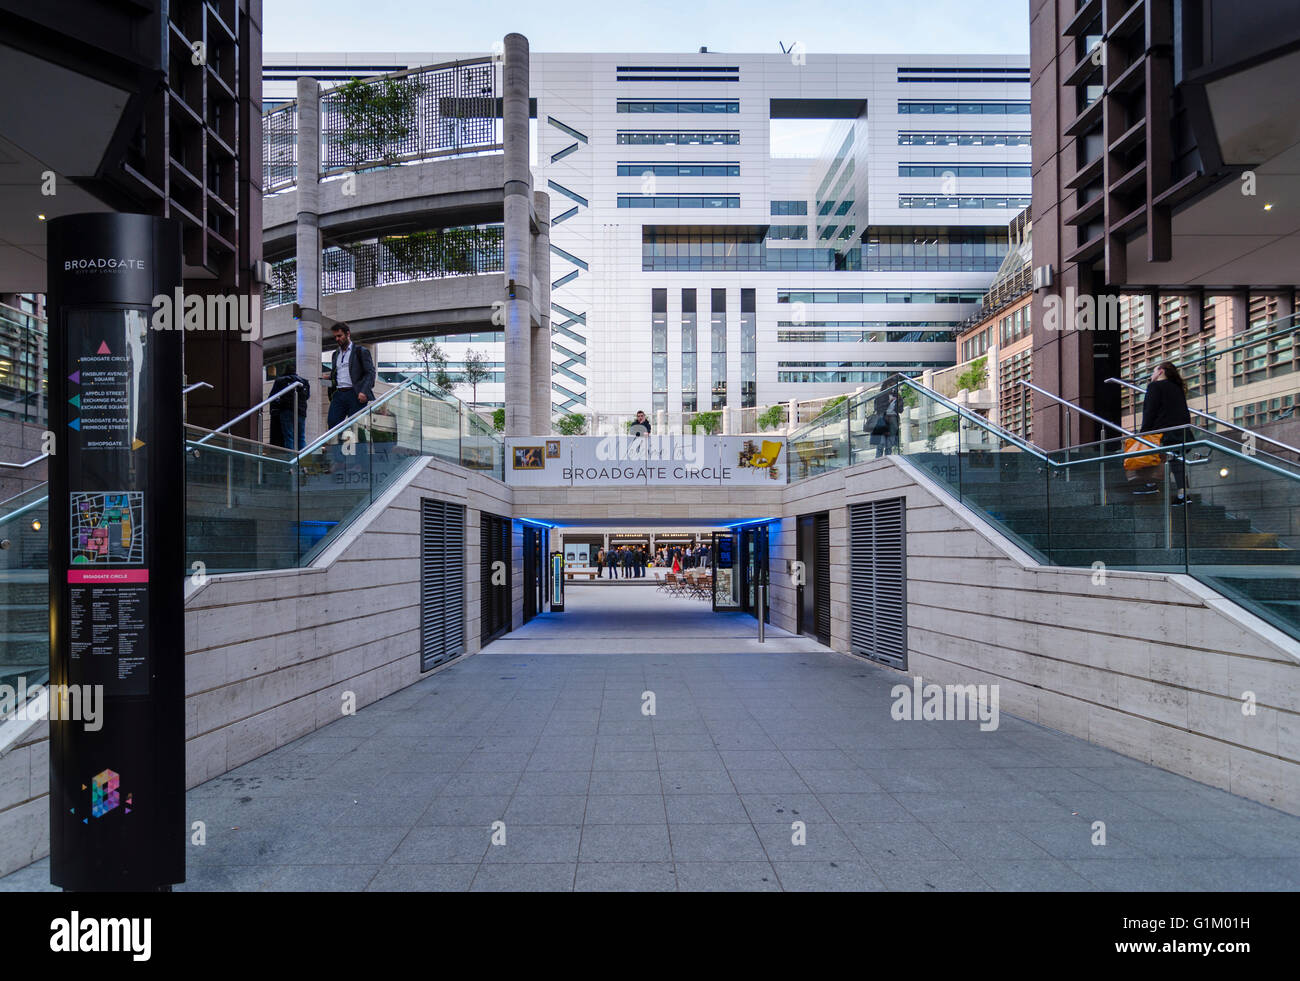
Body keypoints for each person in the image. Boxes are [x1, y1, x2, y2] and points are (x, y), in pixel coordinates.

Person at [1137, 360, 1192, 503]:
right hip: (1180, 430)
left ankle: (1151, 484)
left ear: (1161, 371)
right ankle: (1183, 494)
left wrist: (1143, 431)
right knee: (1176, 460)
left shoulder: (1155, 386)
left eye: (1154, 371)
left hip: (1162, 430)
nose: (1152, 374)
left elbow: (1150, 411)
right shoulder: (1177, 387)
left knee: (1152, 455)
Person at [327, 324, 376, 429]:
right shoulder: (335, 354)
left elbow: (370, 372)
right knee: (332, 424)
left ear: (348, 334)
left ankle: (361, 445)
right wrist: (329, 377)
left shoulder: (360, 351)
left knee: (356, 427)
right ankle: (338, 445)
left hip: (355, 394)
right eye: (335, 337)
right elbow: (337, 373)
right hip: (338, 394)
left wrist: (364, 391)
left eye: (339, 336)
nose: (337, 339)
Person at [268, 370, 310, 450]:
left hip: (286, 409)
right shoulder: (304, 381)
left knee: (289, 437)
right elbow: (307, 396)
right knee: (301, 437)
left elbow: (273, 397)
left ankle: (291, 460)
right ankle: (302, 459)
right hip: (301, 410)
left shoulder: (280, 380)